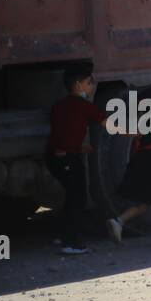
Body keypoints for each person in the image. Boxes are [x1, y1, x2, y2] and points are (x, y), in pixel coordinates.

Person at [46, 67, 107, 255]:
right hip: (68, 158)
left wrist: (79, 147)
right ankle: (71, 243)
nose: (92, 86)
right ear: (78, 85)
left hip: (53, 157)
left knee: (72, 196)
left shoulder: (59, 105)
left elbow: (63, 132)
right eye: (90, 82)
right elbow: (109, 124)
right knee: (77, 198)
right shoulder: (83, 105)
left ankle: (62, 235)